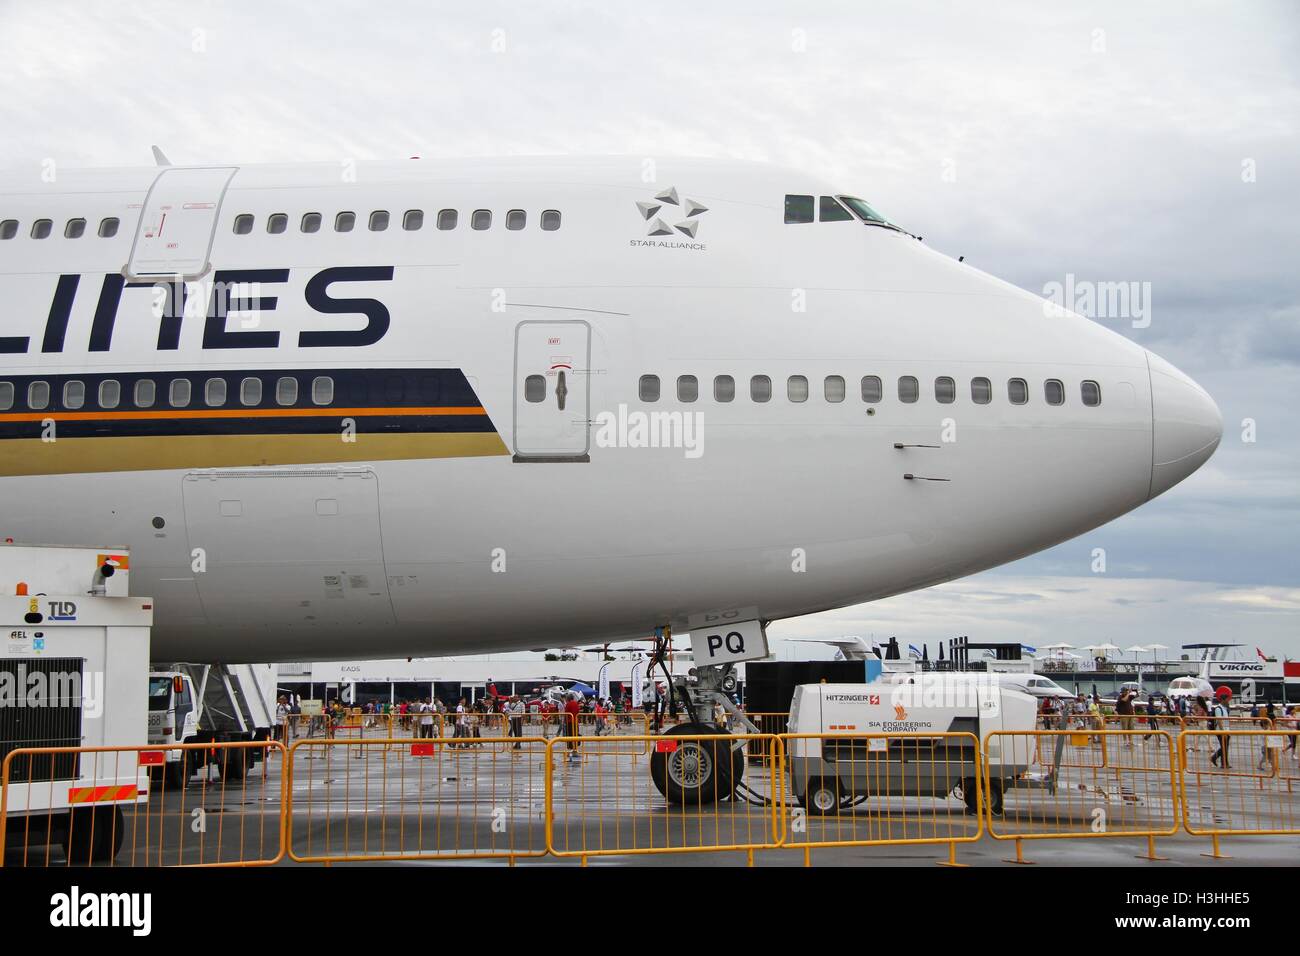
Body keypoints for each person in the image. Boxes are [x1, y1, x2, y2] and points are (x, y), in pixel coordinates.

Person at [1209, 689, 1232, 769]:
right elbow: (1219, 721)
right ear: (1223, 700)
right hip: (1221, 732)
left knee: (1224, 747)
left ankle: (1219, 760)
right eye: (1227, 700)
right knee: (1224, 747)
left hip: (1226, 731)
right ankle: (1223, 763)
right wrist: (1223, 732)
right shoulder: (1218, 709)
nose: (1228, 701)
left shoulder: (1225, 708)